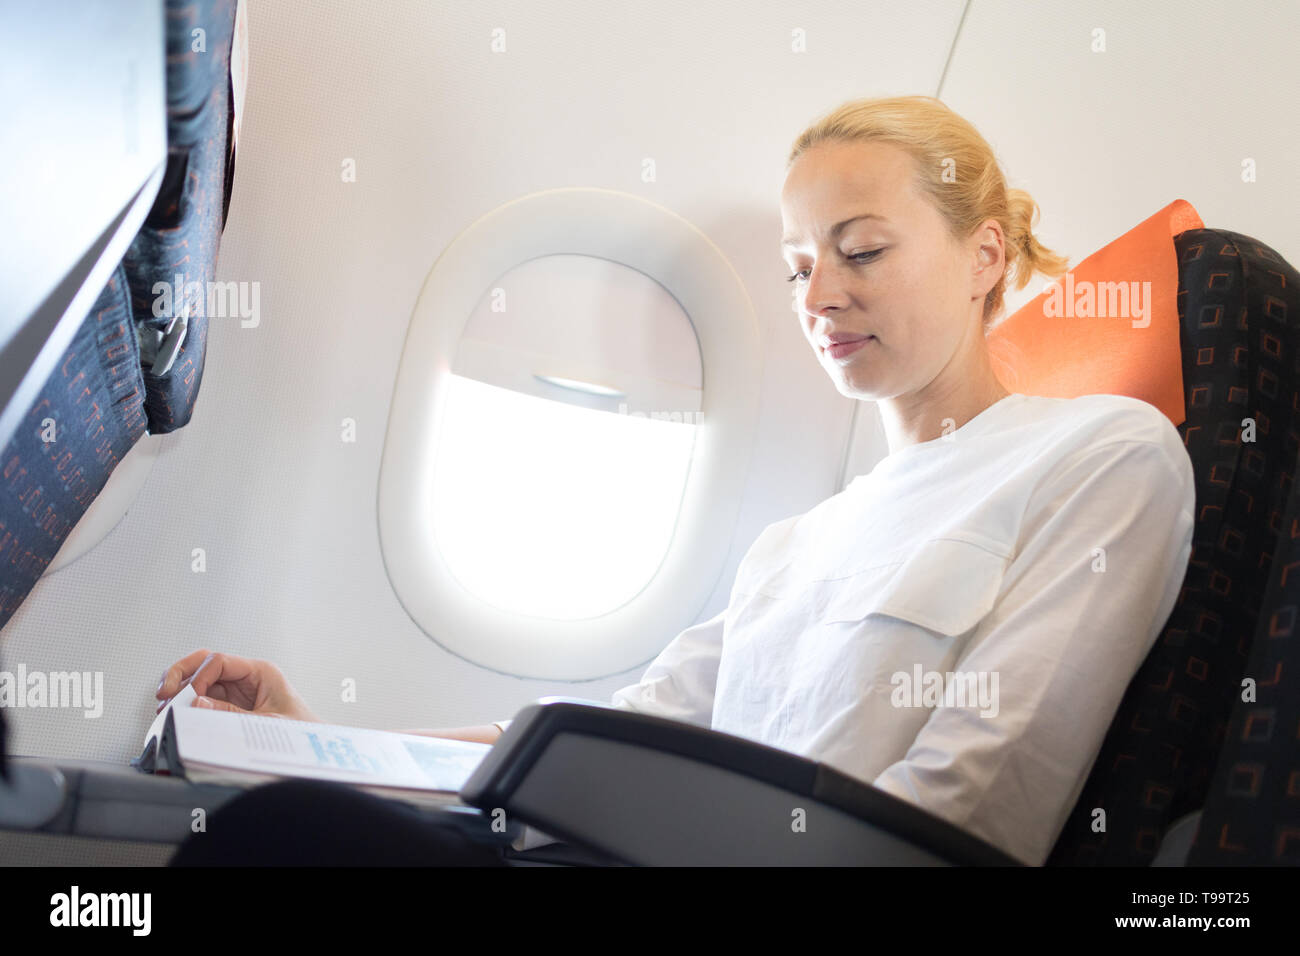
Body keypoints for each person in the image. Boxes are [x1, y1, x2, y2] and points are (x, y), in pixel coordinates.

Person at [158, 95, 1195, 866]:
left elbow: (968, 811)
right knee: (276, 824)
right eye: (797, 267)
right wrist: (308, 737)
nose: (820, 295)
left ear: (984, 256)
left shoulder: (1102, 456)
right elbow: (606, 734)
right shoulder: (798, 541)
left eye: (862, 250)